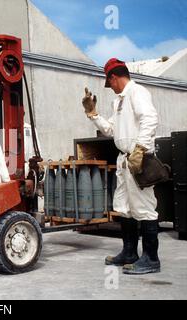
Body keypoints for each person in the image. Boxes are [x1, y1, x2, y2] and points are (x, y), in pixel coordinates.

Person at [82, 58, 160, 274]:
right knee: (124, 207)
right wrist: (93, 115)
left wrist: (141, 149)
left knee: (144, 208)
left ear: (114, 77)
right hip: (125, 160)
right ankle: (129, 252)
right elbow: (110, 130)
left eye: (110, 83)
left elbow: (150, 119)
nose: (111, 88)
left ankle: (151, 259)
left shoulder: (137, 93)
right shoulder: (118, 102)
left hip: (138, 159)